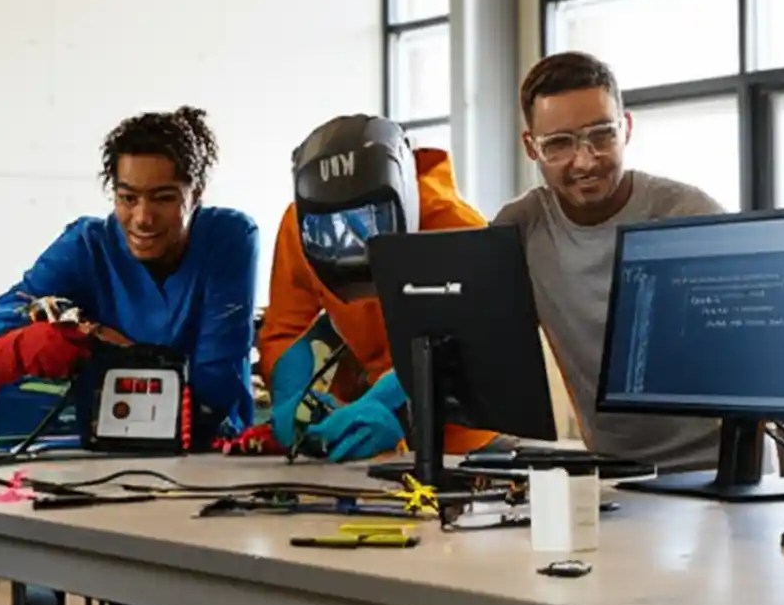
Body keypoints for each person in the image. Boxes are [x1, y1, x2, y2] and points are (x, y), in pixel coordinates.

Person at [0, 106, 267, 605]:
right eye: (127, 197)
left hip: (220, 480)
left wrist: (106, 349)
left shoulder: (229, 237)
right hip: (123, 484)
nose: (142, 217)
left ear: (196, 192)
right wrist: (30, 346)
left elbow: (215, 385)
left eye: (164, 197)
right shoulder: (86, 245)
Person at [492, 50, 729, 472]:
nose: (585, 160)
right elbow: (464, 332)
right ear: (531, 147)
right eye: (559, 144)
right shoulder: (521, 228)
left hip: (719, 469)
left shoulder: (688, 214)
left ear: (627, 128)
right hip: (614, 472)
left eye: (601, 135)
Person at [254, 114, 500, 462]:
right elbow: (287, 329)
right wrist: (291, 397)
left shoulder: (458, 229)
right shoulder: (302, 226)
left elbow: (475, 345)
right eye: (331, 229)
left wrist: (390, 403)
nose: (348, 238)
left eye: (365, 221)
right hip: (358, 426)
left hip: (462, 438)